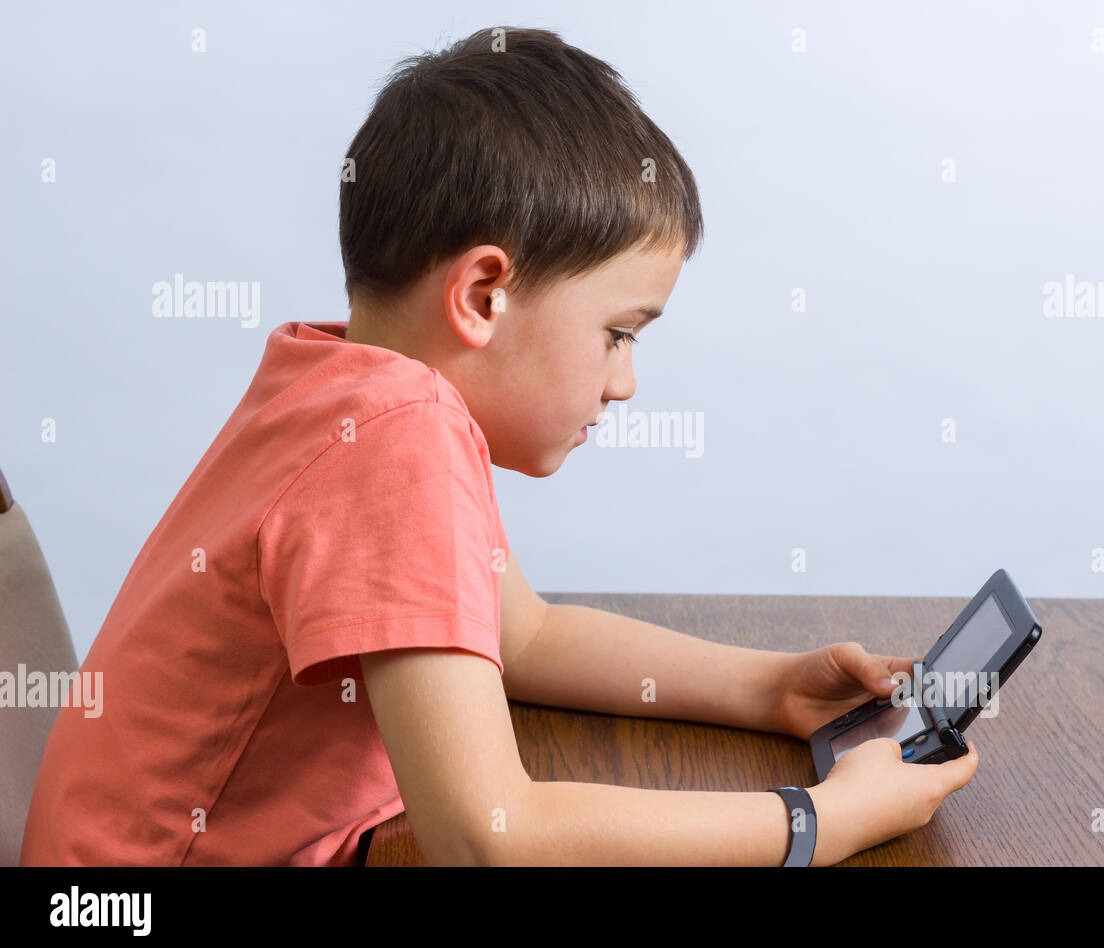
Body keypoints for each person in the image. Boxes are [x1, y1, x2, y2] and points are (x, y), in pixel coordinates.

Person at [20, 25, 976, 867]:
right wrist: (817, 822)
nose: (625, 380)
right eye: (619, 332)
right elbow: (488, 838)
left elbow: (525, 636)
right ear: (485, 296)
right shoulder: (392, 439)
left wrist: (771, 688)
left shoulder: (349, 385)